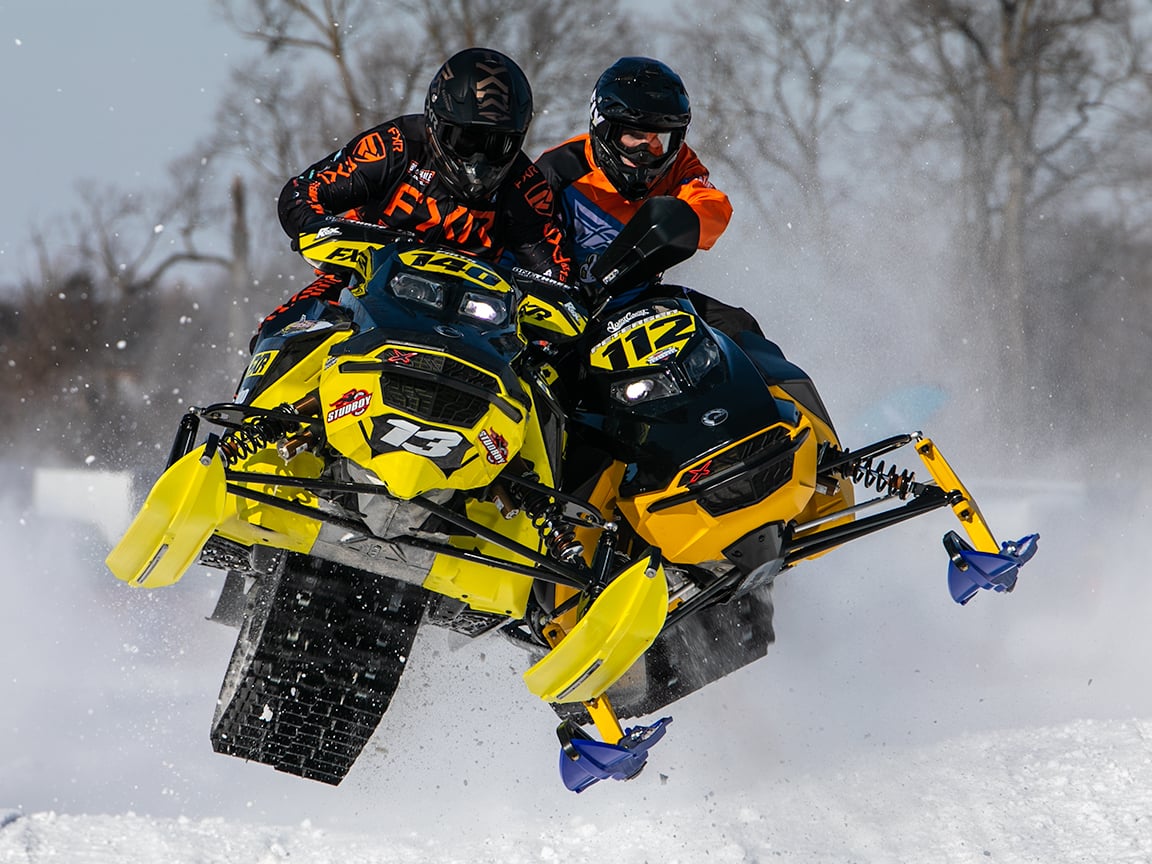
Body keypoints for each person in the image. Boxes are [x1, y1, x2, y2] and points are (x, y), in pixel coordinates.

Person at [257, 47, 571, 347]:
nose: (478, 161)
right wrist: (321, 229)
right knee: (275, 332)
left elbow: (556, 274)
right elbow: (301, 191)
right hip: (361, 283)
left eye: (497, 145)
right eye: (467, 139)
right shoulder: (394, 146)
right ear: (436, 123)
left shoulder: (526, 188)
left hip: (473, 316)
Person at [534, 56, 762, 340]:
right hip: (558, 309)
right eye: (634, 136)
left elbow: (713, 205)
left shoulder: (680, 165)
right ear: (604, 128)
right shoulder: (558, 169)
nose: (645, 152)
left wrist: (681, 222)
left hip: (636, 304)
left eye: (658, 141)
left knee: (738, 326)